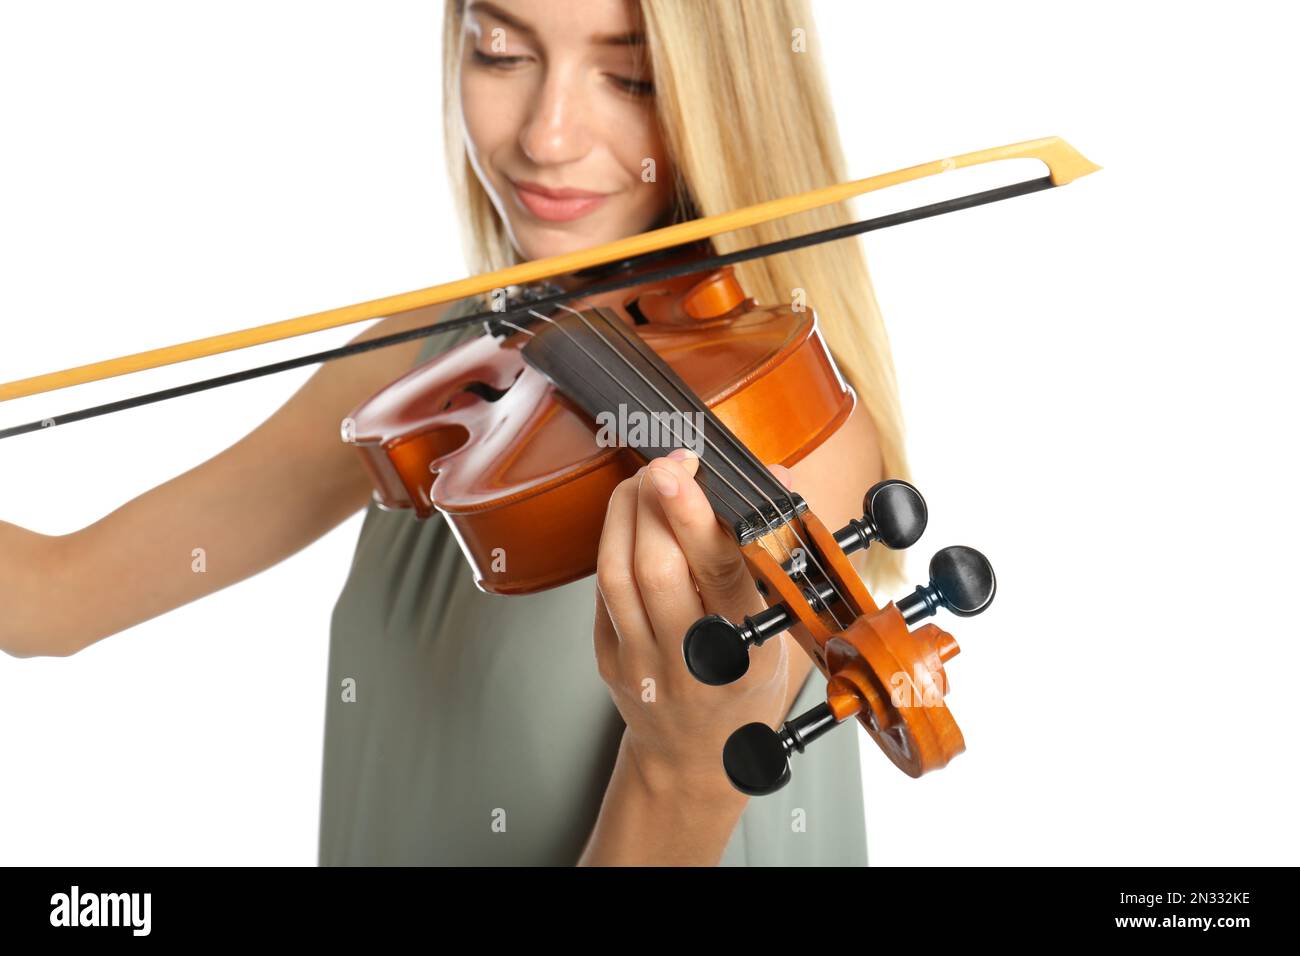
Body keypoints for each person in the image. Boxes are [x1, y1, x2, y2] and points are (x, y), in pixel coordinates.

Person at [0, 0, 914, 866]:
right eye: (501, 53)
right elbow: (52, 600)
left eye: (631, 79)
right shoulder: (453, 364)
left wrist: (681, 774)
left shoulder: (787, 437)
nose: (546, 137)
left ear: (732, 92)